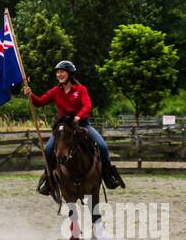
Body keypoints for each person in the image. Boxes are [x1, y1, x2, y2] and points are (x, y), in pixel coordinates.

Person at [25, 60, 125, 192]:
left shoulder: (81, 89)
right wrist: (30, 94)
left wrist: (79, 116)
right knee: (48, 149)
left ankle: (108, 177)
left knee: (102, 145)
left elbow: (87, 105)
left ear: (70, 74)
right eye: (58, 72)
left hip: (82, 124)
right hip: (63, 128)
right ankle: (47, 181)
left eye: (62, 72)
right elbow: (39, 102)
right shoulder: (55, 91)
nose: (59, 75)